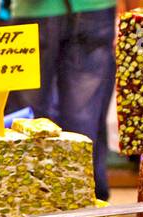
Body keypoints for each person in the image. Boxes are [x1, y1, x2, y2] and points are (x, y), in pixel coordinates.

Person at [8, 0, 116, 199]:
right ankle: (87, 204)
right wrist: (138, 34)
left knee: (27, 119)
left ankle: (28, 202)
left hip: (34, 10)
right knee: (83, 117)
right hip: (93, 9)